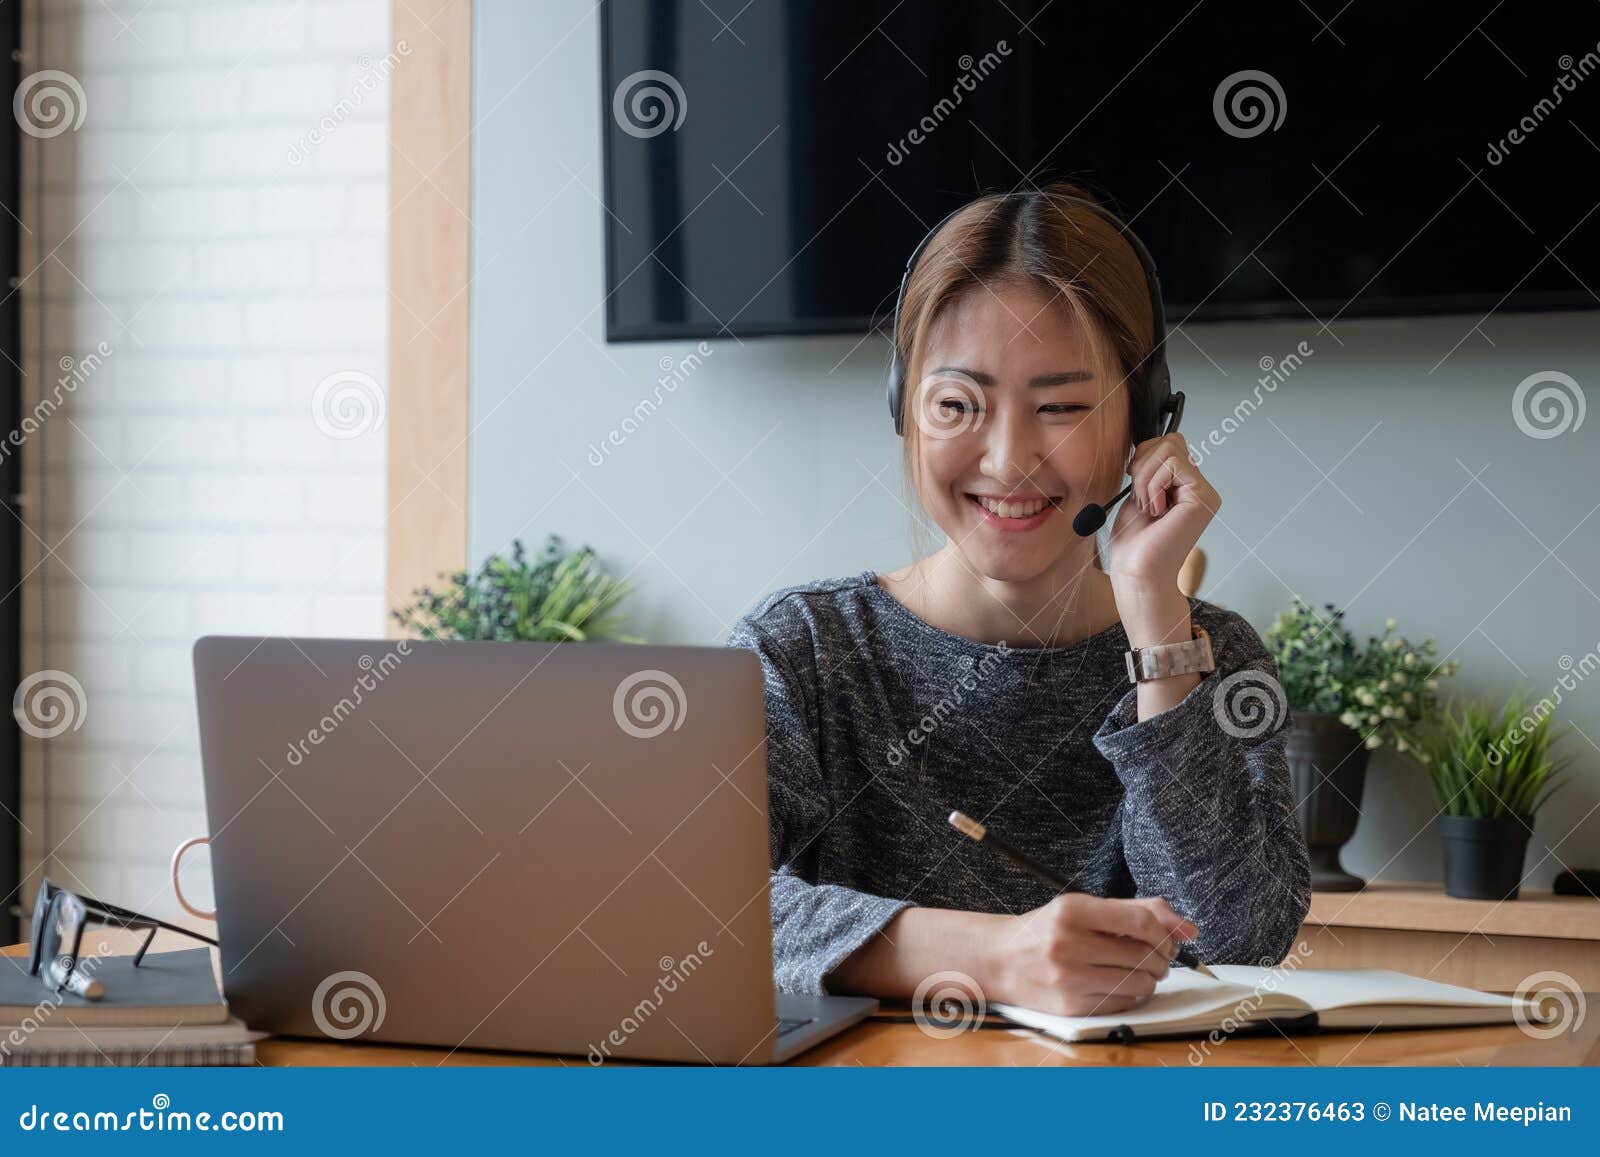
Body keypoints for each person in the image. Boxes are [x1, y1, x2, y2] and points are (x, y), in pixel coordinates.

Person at [725, 181, 1311, 1018]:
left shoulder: (1210, 654)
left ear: (1145, 420)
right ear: (905, 410)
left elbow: (1240, 937)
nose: (1008, 458)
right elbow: (701, 910)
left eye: (1062, 406)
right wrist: (993, 954)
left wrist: (1156, 625)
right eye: (958, 404)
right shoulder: (802, 649)